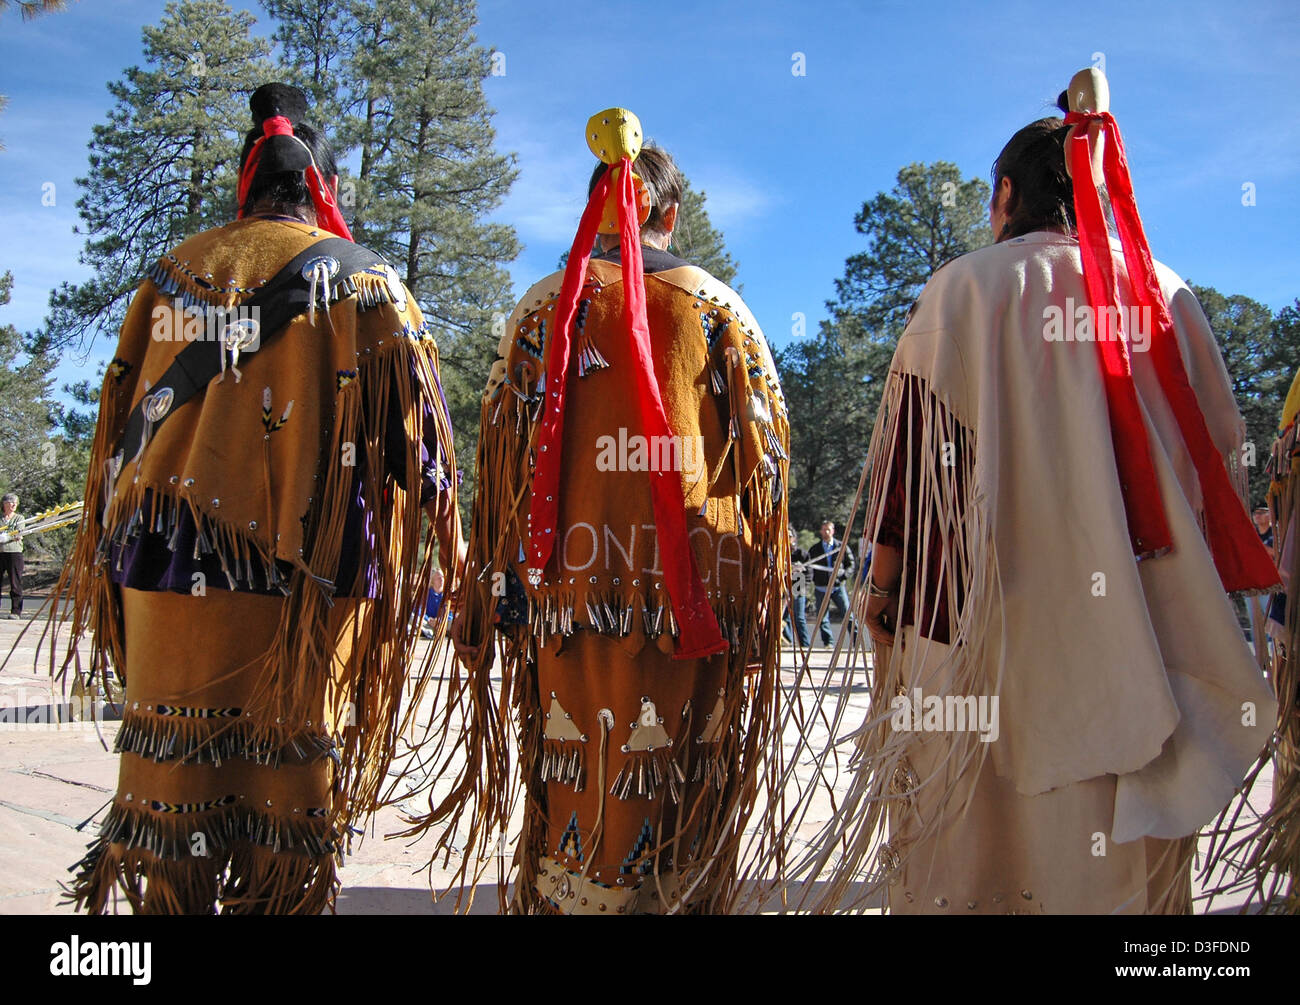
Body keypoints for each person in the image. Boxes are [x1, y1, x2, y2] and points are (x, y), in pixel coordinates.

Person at [784, 69, 1279, 915]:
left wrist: (883, 591)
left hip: (980, 632)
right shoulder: (1167, 292)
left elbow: (909, 469)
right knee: (1123, 865)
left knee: (977, 850)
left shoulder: (964, 288)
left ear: (1007, 194)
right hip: (1149, 630)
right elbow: (1220, 454)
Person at [53, 83, 462, 914]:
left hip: (167, 579)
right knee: (284, 819)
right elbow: (424, 458)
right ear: (324, 186)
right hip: (304, 592)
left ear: (248, 180)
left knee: (175, 813)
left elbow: (116, 435)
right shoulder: (367, 282)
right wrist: (456, 566)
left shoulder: (171, 274)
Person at [437, 109, 789, 914]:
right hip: (691, 610)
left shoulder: (542, 309)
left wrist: (486, 594)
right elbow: (764, 471)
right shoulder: (719, 309)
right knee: (680, 801)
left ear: (597, 205)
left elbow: (499, 465)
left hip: (565, 605)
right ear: (672, 214)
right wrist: (760, 602)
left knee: (579, 794)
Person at [808, 520, 853, 646]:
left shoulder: (841, 547)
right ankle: (828, 643)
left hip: (838, 587)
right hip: (821, 588)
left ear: (833, 531)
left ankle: (856, 641)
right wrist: (814, 579)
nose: (826, 532)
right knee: (822, 617)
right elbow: (809, 566)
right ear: (821, 531)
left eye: (828, 529)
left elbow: (851, 565)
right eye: (824, 529)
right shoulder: (815, 549)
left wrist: (843, 576)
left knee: (848, 615)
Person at [783, 525, 811, 648]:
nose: (787, 538)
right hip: (783, 587)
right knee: (783, 617)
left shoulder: (801, 554)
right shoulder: (780, 553)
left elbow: (809, 572)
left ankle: (805, 644)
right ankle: (788, 641)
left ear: (794, 538)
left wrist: (804, 585)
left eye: (789, 536)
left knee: (799, 617)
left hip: (798, 586)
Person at [0, 493, 24, 618]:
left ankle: (16, 611)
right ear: (4, 504)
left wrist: (6, 537)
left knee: (15, 583)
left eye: (16, 502)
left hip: (14, 553)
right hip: (0, 553)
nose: (14, 504)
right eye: (11, 502)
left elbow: (19, 534)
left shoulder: (19, 518)